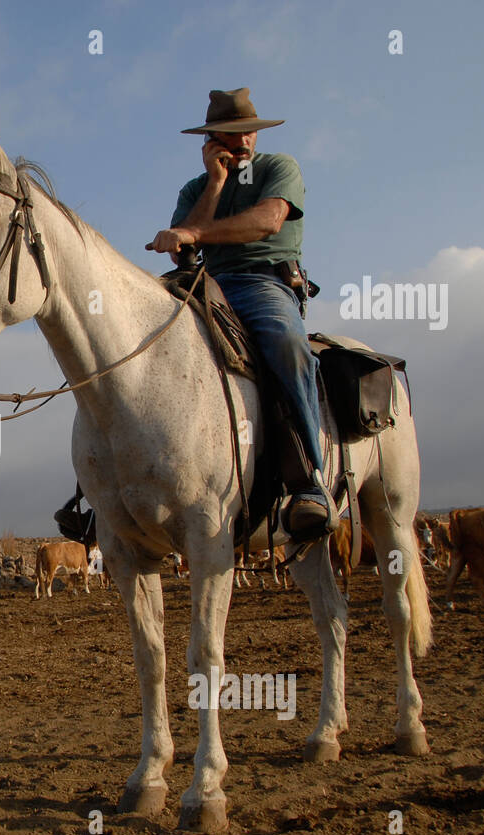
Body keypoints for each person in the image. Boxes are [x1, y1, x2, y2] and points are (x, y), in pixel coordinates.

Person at [145, 87, 332, 541]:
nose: (242, 141)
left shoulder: (278, 168)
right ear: (210, 140)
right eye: (229, 135)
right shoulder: (195, 188)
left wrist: (191, 231)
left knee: (288, 346)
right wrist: (214, 183)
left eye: (247, 131)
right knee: (136, 335)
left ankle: (310, 481)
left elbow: (267, 220)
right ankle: (113, 490)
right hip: (203, 284)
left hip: (262, 282)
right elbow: (182, 248)